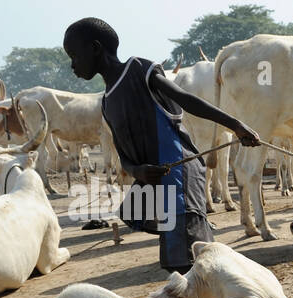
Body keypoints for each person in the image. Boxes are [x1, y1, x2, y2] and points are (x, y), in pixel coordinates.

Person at [63, 17, 261, 273]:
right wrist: (137, 171)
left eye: (74, 56)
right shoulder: (107, 102)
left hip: (181, 177)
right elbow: (124, 158)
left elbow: (186, 99)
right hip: (158, 189)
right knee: (178, 263)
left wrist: (235, 125)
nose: (72, 65)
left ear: (95, 48)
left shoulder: (138, 70)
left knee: (194, 263)